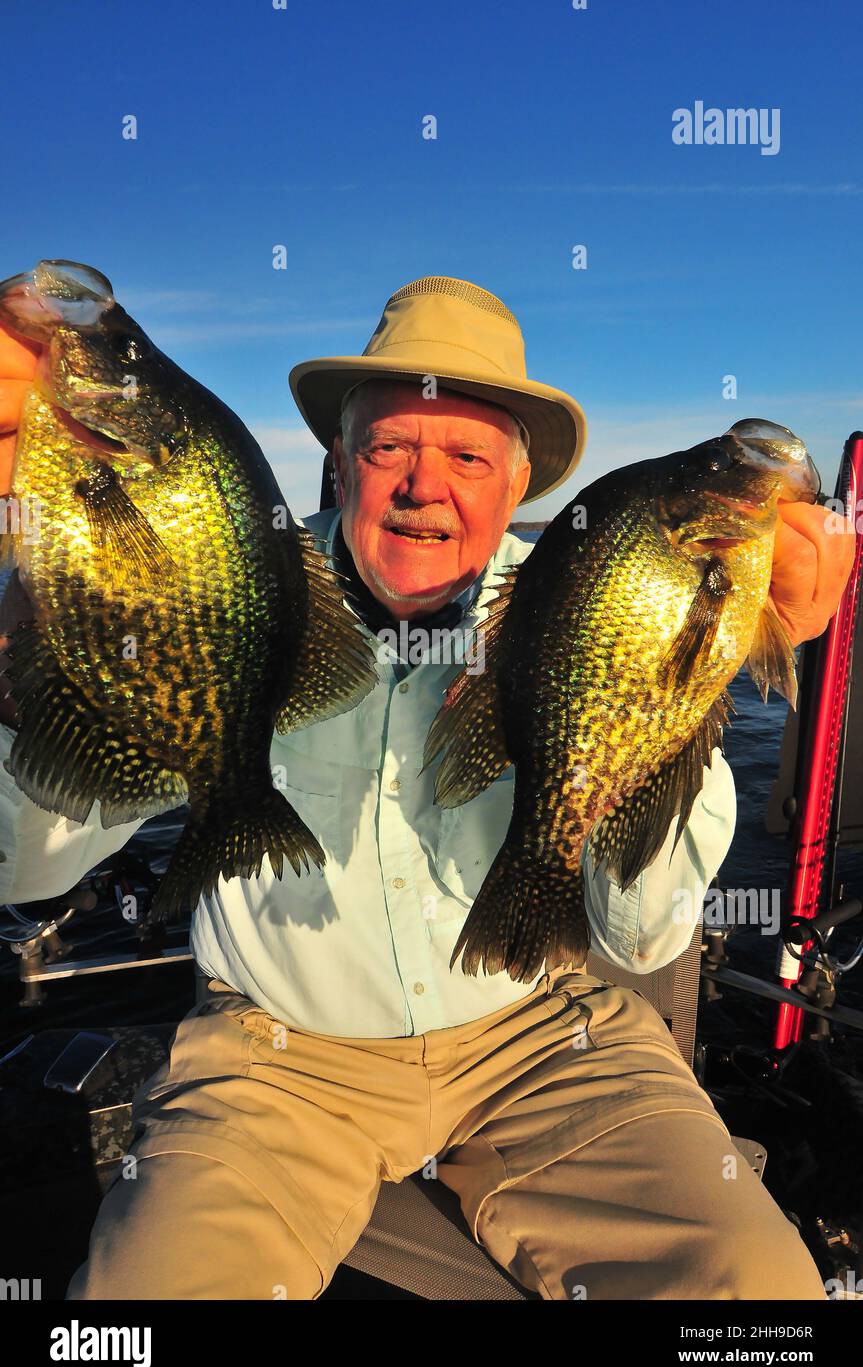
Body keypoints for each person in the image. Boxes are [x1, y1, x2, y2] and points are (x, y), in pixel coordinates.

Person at [0, 276, 853, 1301]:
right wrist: (44, 641)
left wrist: (703, 678)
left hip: (543, 1039)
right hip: (275, 1056)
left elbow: (638, 939)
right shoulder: (232, 579)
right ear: (338, 463)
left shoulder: (594, 602)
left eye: (466, 456)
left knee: (760, 1292)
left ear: (517, 482)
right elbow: (24, 866)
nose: (422, 485)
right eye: (388, 448)